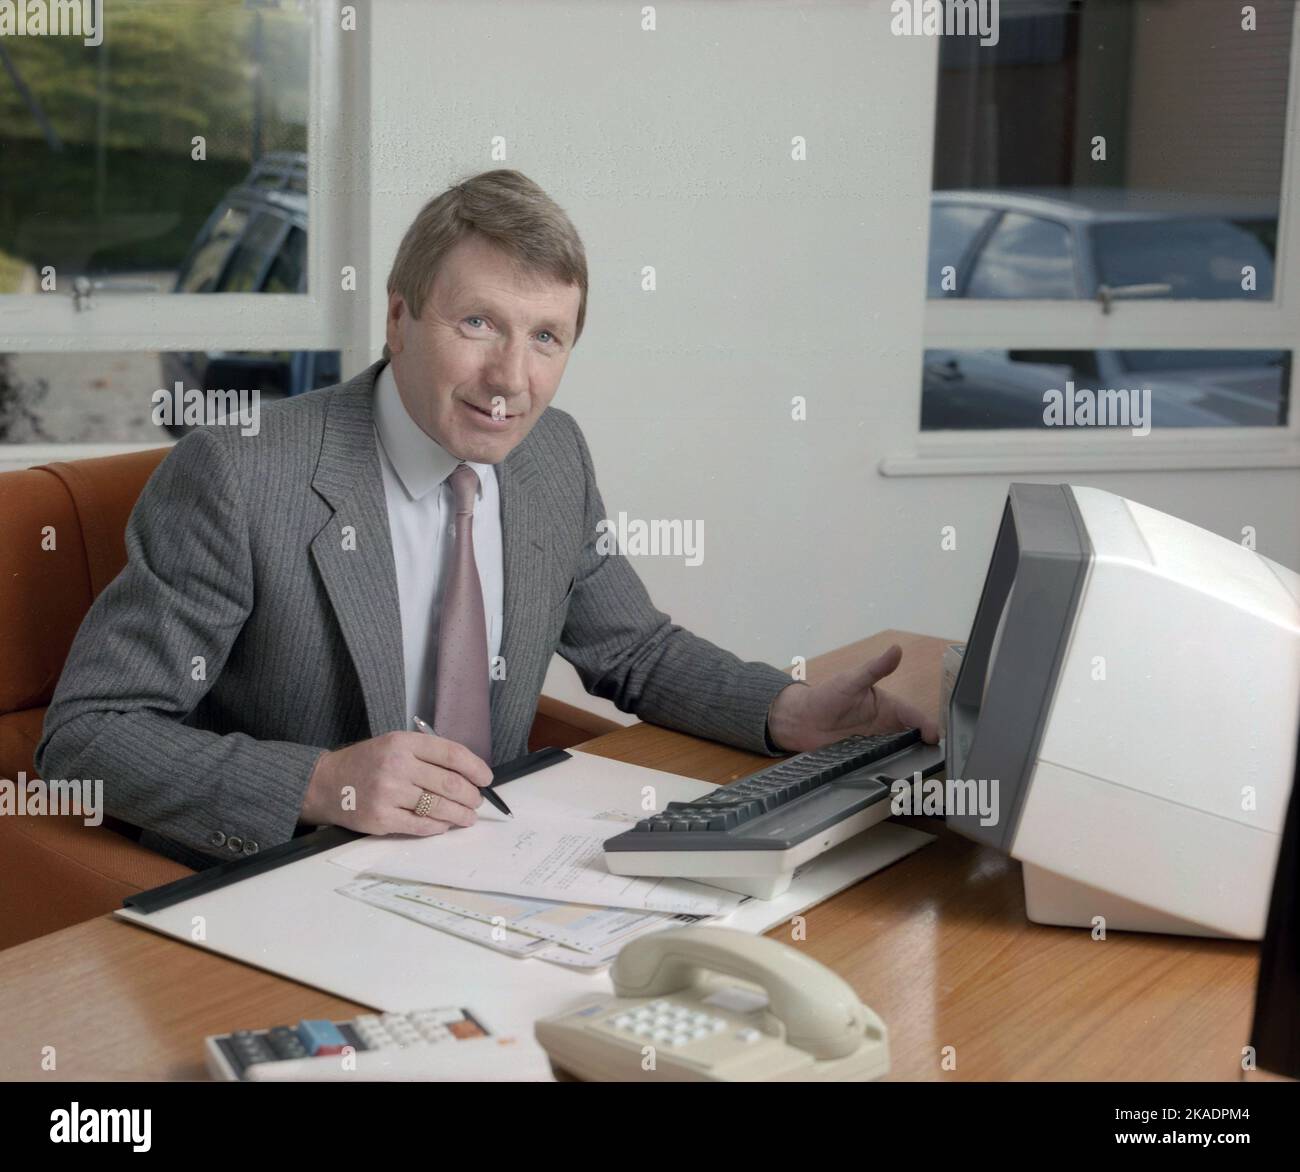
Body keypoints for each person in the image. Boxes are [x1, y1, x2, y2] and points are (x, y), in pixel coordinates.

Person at [36, 169, 937, 870]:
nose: (513, 379)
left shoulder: (551, 458)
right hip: (290, 881)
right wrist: (319, 782)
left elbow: (634, 650)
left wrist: (789, 710)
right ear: (399, 317)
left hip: (500, 871)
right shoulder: (240, 473)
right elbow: (87, 736)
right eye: (479, 323)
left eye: (547, 337)